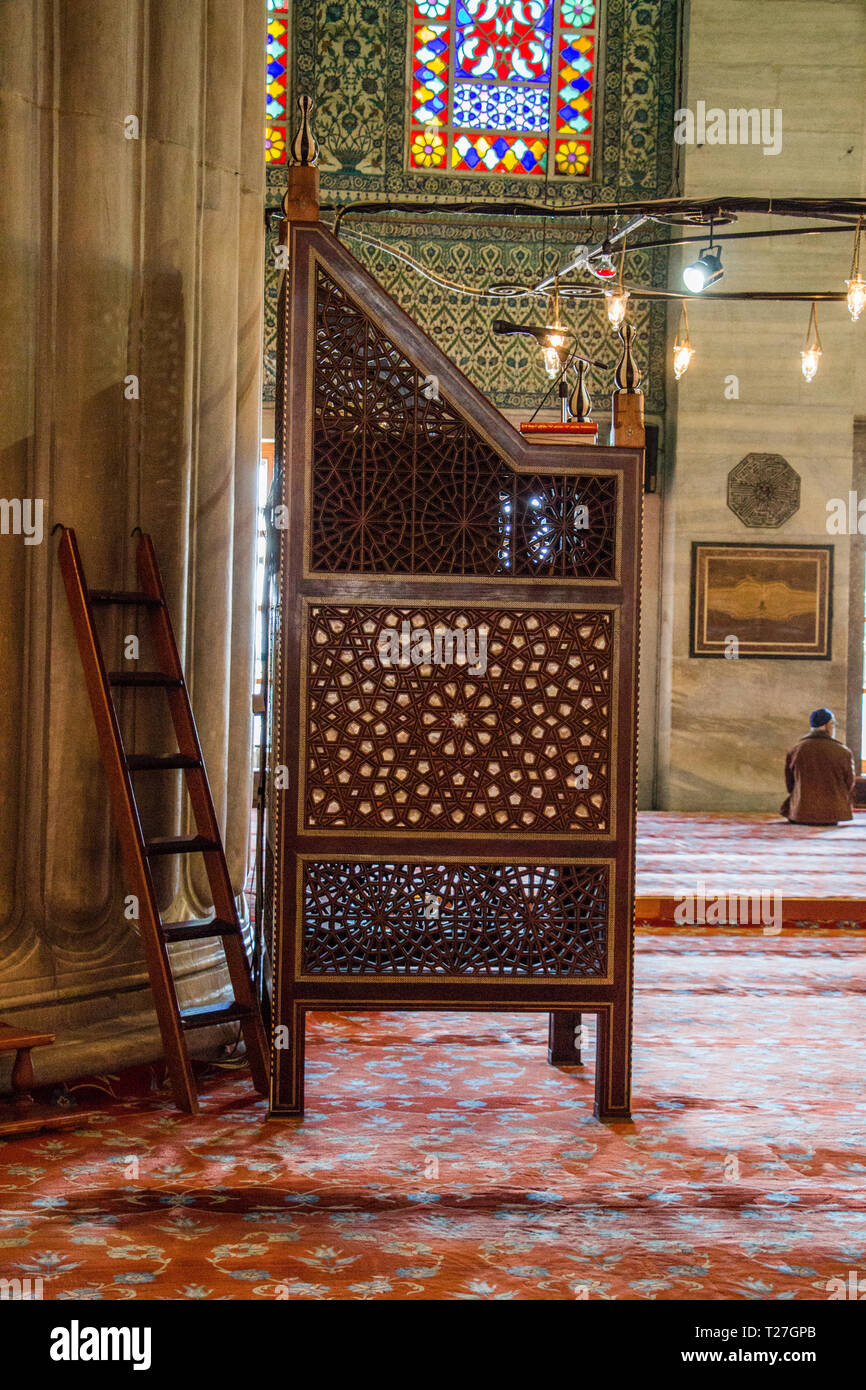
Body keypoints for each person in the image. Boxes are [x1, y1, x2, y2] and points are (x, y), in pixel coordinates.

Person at [780, 708, 856, 825]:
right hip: (832, 814)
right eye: (834, 724)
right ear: (828, 725)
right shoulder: (843, 752)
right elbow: (850, 783)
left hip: (800, 813)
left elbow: (790, 785)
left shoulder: (796, 750)